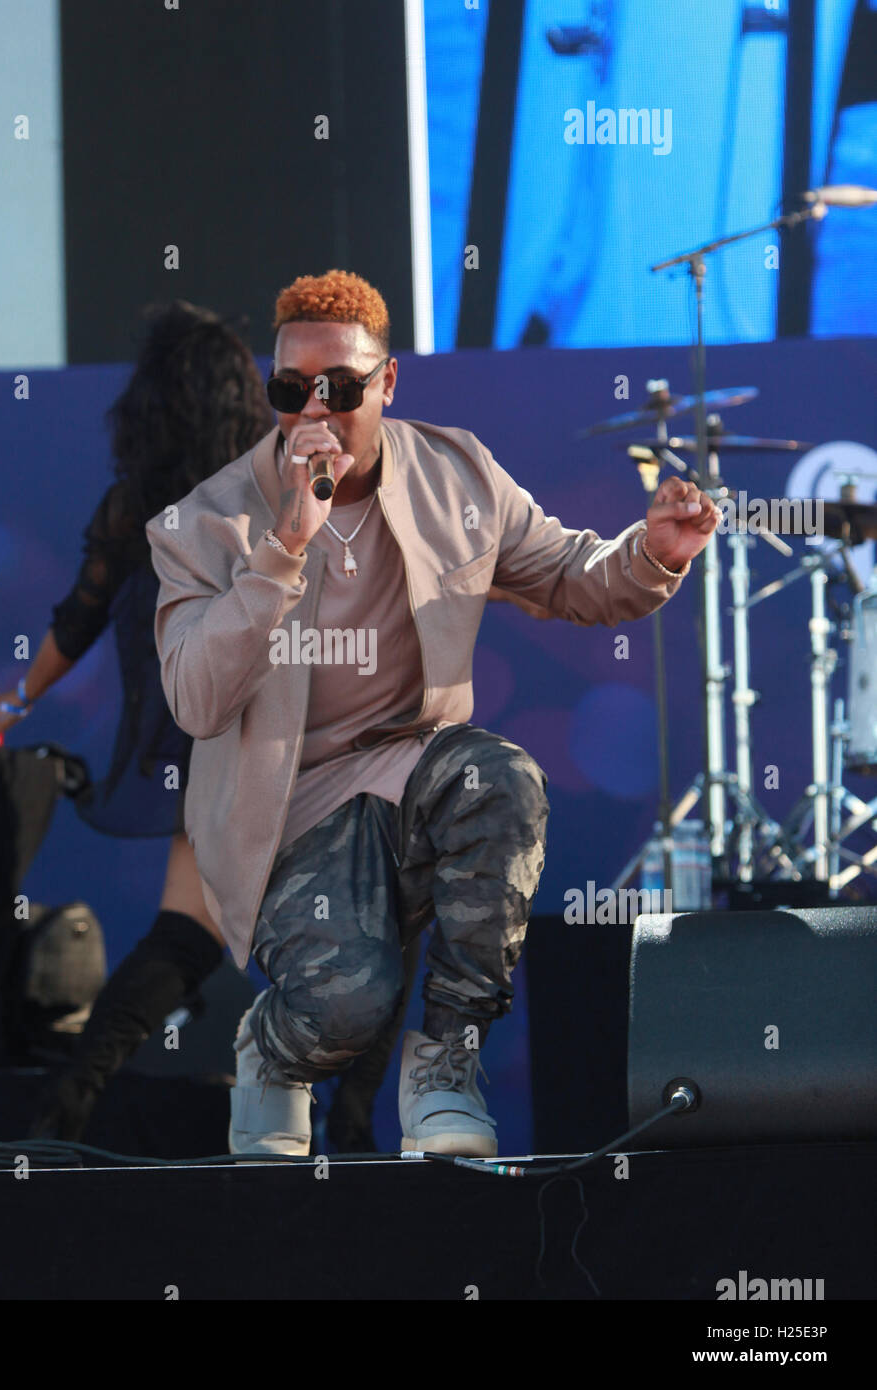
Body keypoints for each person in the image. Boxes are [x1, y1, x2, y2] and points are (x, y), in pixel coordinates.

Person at [146, 269, 722, 1157]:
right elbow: (194, 697)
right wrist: (284, 547)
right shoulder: (205, 522)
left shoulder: (456, 472)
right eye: (291, 390)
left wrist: (650, 553)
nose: (315, 413)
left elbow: (573, 578)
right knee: (346, 1012)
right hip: (289, 805)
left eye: (340, 388)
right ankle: (271, 1044)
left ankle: (448, 1063)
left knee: (505, 779)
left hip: (415, 768)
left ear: (387, 383)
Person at [0, 302, 414, 1148]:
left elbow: (78, 619)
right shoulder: (282, 487)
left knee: (187, 931)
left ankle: (64, 1106)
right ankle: (355, 1132)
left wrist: (10, 701)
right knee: (377, 923)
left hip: (192, 740)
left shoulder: (139, 503)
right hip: (294, 734)